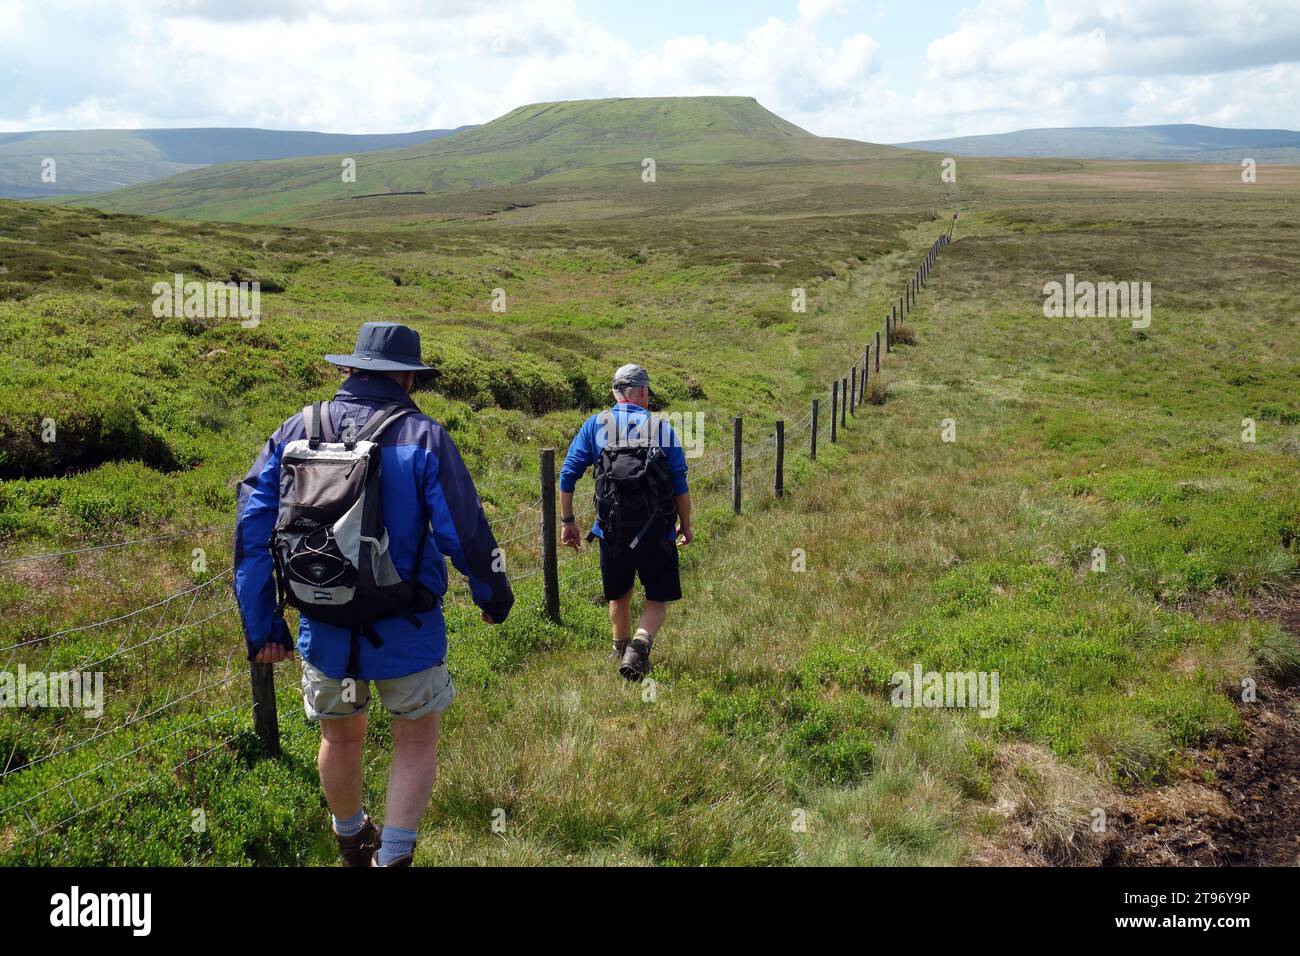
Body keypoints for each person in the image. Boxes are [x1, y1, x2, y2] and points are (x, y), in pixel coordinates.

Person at [233, 321, 512, 867]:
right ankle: (395, 858)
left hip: (324, 620)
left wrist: (264, 624)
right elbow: (467, 532)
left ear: (350, 368)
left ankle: (351, 841)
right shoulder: (425, 437)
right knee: (414, 739)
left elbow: (250, 530)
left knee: (340, 739)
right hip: (406, 624)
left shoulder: (295, 428)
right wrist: (492, 596)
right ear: (408, 377)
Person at [559, 364, 692, 680]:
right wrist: (685, 525)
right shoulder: (661, 427)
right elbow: (679, 486)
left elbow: (567, 475)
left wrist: (568, 521)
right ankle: (640, 647)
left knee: (619, 594)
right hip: (657, 530)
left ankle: (620, 652)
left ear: (615, 393)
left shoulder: (596, 425)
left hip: (611, 529)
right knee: (657, 598)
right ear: (643, 392)